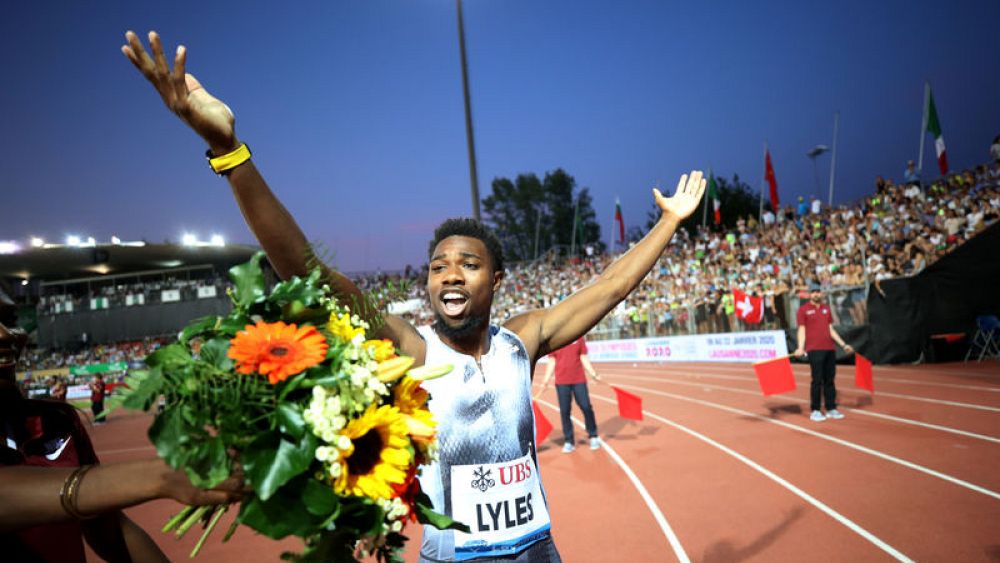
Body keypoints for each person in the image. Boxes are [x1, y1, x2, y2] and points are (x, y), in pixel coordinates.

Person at [121, 30, 706, 562]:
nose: (450, 276)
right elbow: (307, 269)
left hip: (538, 551)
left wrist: (669, 222)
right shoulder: (412, 349)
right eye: (437, 267)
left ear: (497, 280)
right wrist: (230, 152)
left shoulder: (522, 340)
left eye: (469, 265)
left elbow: (609, 286)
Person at [0, 290, 245, 562]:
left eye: (9, 320)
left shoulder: (56, 422)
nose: (5, 334)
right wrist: (163, 475)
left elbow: (110, 529)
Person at [793, 282, 854, 422]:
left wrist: (843, 344)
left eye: (818, 291)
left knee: (830, 380)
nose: (816, 294)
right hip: (814, 349)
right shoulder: (803, 310)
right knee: (817, 380)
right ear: (809, 294)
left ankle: (831, 408)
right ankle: (815, 410)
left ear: (821, 293)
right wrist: (800, 347)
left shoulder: (826, 308)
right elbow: (801, 329)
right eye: (813, 292)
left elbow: (830, 329)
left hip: (829, 349)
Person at [536, 337, 602, 453]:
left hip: (579, 380)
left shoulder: (578, 338)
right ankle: (569, 441)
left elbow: (583, 357)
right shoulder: (555, 340)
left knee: (586, 406)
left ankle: (593, 435)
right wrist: (546, 380)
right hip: (562, 382)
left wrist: (593, 373)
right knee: (565, 411)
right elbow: (552, 360)